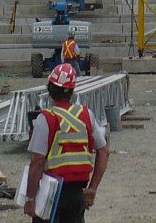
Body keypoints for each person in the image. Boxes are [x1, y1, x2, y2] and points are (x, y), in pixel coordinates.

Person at [25, 63, 109, 223]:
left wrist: (30, 198)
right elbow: (104, 151)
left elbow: (37, 162)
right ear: (72, 91)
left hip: (50, 193)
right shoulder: (86, 115)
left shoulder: (46, 119)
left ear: (50, 89)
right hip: (77, 193)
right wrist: (92, 188)